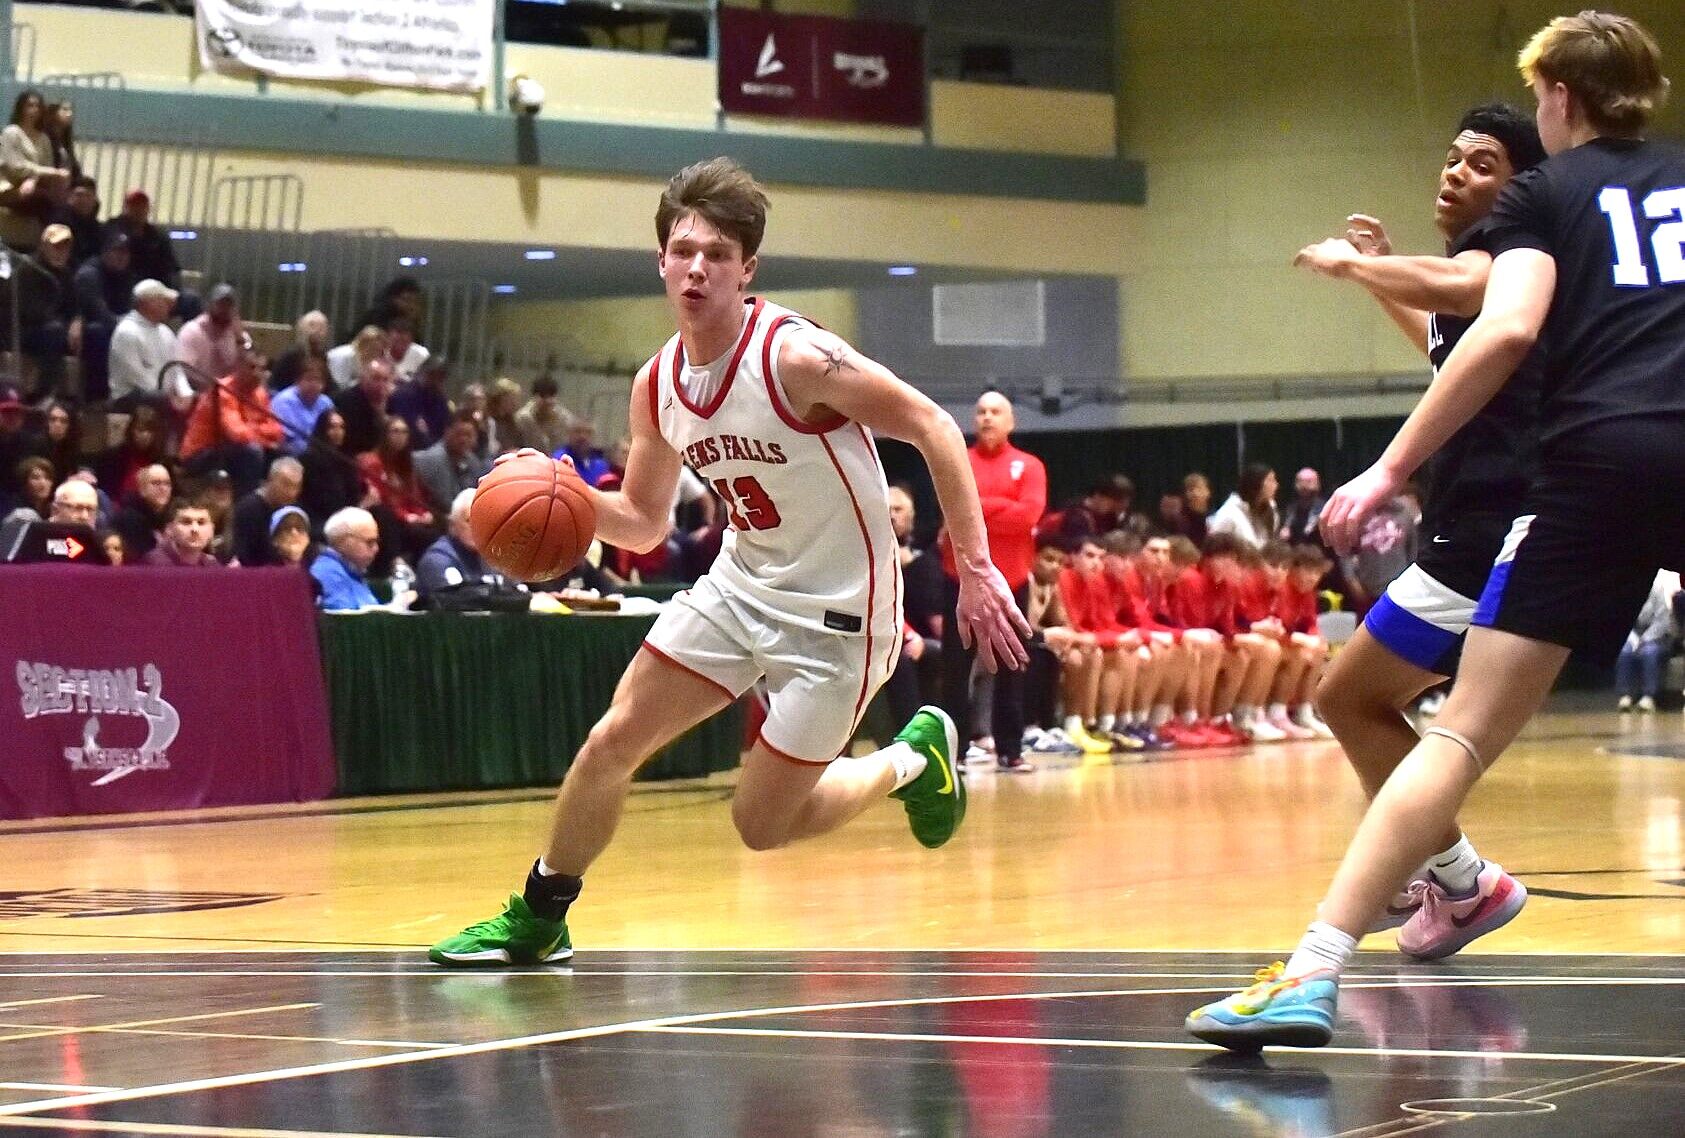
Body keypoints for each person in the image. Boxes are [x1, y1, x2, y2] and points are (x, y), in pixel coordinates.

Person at [1190, 11, 1680, 1051]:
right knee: (1364, 699)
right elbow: (1466, 306)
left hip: (1590, 467)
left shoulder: (1546, 193)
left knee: (1453, 731)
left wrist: (1385, 466)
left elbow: (1498, 322)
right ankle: (1449, 886)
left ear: (1555, 97)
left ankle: (1316, 966)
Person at [430, 156, 1027, 967]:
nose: (697, 267)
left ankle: (907, 759)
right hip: (741, 587)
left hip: (840, 617)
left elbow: (931, 426)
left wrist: (978, 567)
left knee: (760, 826)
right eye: (683, 250)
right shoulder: (657, 385)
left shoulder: (797, 359)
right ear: (661, 261)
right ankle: (540, 914)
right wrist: (556, 494)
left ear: (747, 268)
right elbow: (639, 524)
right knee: (613, 740)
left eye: (717, 253)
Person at [1286, 100, 1550, 946]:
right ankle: (1443, 877)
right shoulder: (1475, 271)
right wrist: (1381, 274)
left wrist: (1355, 267)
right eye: (1451, 158)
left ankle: (1459, 882)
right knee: (1357, 700)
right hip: (1474, 525)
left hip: (1488, 527)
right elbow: (1441, 334)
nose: (1454, 172)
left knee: (1349, 698)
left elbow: (1459, 291)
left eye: (1481, 164)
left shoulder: (1507, 259)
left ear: (1517, 191)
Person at [938, 391, 1046, 772]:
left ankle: (1010, 750)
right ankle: (955, 752)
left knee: (1012, 669)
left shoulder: (1029, 466)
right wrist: (1000, 507)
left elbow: (1028, 516)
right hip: (961, 582)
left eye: (995, 412)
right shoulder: (959, 461)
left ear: (1011, 421)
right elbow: (951, 510)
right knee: (955, 672)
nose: (987, 417)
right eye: (981, 411)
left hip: (1012, 582)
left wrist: (977, 507)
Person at [179, 340, 283, 496]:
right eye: (252, 367)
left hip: (231, 450)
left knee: (284, 453)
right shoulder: (223, 391)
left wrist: (253, 430)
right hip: (200, 453)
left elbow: (277, 430)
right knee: (252, 452)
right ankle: (245, 504)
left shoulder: (260, 392)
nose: (257, 373)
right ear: (238, 367)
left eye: (262, 369)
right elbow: (237, 435)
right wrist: (262, 434)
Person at [416, 488, 527, 609]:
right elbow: (458, 604)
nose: (478, 528)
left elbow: (517, 591)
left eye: (484, 521)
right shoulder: (438, 559)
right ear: (452, 525)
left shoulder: (496, 555)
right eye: (469, 520)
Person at [9, 224, 79, 396]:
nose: (60, 251)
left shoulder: (66, 274)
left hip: (54, 328)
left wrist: (77, 322)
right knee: (53, 332)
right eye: (56, 246)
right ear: (43, 246)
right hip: (24, 330)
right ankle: (45, 392)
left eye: (65, 247)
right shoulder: (28, 269)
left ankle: (86, 398)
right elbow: (31, 311)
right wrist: (64, 325)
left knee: (91, 334)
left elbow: (74, 305)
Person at [357, 415, 436, 563]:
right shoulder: (371, 462)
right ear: (385, 434)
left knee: (433, 529)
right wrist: (407, 517)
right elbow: (382, 498)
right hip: (389, 519)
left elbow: (414, 496)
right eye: (395, 431)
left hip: (408, 518)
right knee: (423, 535)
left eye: (404, 432)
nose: (400, 436)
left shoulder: (405, 464)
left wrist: (422, 513)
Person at [105, 189, 194, 315]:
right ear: (125, 207)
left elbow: (172, 267)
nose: (138, 210)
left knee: (190, 300)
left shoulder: (158, 236)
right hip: (122, 286)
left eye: (142, 206)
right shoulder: (113, 229)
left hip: (156, 287)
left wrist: (172, 290)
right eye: (134, 206)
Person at [0, 88, 69, 248]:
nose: (34, 110)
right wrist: (53, 173)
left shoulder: (43, 138)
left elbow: (46, 165)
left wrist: (33, 179)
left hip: (36, 191)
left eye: (37, 106)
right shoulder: (12, 133)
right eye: (29, 105)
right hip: (11, 188)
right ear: (21, 108)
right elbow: (16, 166)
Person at [73, 229, 136, 401]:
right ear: (105, 252)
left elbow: (131, 308)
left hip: (115, 325)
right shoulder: (90, 274)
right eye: (117, 251)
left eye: (125, 252)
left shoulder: (127, 276)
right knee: (98, 331)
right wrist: (128, 327)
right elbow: (98, 312)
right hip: (84, 327)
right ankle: (96, 397)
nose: (122, 256)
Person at [109, 279, 188, 414]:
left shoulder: (165, 332)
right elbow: (136, 377)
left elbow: (177, 368)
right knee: (159, 399)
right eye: (164, 301)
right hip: (130, 398)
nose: (169, 305)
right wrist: (169, 398)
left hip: (163, 396)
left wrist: (186, 393)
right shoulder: (126, 331)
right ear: (149, 303)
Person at [1614, 570, 1680, 712]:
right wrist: (1633, 639)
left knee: (1650, 652)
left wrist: (1644, 639)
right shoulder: (1625, 593)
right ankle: (1625, 695)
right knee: (1624, 651)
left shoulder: (1657, 591)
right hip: (1633, 635)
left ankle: (1649, 697)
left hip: (1658, 636)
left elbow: (1663, 621)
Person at [298, 410, 371, 531]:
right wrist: (361, 507)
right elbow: (325, 500)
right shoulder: (310, 459)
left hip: (345, 516)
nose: (338, 432)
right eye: (332, 427)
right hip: (320, 519)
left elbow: (353, 493)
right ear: (323, 429)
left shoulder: (345, 458)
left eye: (341, 427)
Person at [231, 456, 304, 567]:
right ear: (270, 480)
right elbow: (244, 556)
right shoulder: (248, 509)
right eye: (286, 484)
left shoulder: (293, 510)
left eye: (296, 486)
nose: (291, 492)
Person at [414, 411, 491, 516]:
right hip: (437, 521)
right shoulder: (433, 459)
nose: (464, 439)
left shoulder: (471, 459)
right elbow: (446, 503)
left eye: (469, 435)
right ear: (447, 432)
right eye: (459, 434)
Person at [310, 506, 384, 610]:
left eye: (377, 542)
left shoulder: (353, 571)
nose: (376, 548)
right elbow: (348, 622)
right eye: (370, 542)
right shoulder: (328, 573)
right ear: (345, 542)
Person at [175, 284, 244, 383]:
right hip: (199, 393)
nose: (225, 309)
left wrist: (240, 339)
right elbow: (184, 372)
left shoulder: (237, 333)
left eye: (229, 305)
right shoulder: (192, 331)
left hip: (229, 394)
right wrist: (215, 389)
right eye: (221, 304)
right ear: (209, 305)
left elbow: (251, 367)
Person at [270, 352, 333, 456]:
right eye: (308, 379)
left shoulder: (326, 403)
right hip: (291, 453)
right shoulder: (284, 401)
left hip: (320, 453)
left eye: (317, 380)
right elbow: (289, 440)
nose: (313, 384)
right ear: (297, 381)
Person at [1208, 462, 1280, 550]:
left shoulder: (1271, 510)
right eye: (1271, 480)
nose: (1276, 485)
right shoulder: (1229, 513)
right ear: (1256, 483)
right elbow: (1213, 546)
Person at [332, 356, 395, 456]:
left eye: (386, 380)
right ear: (363, 379)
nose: (381, 384)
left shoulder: (394, 400)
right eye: (376, 378)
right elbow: (352, 441)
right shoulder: (346, 400)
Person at [110, 462, 172, 559]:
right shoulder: (129, 519)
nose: (163, 488)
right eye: (156, 483)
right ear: (142, 489)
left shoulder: (168, 517)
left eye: (167, 483)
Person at [388, 354, 451, 449]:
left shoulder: (440, 400)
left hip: (434, 451)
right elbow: (413, 432)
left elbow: (445, 431)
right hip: (405, 450)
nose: (436, 380)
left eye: (440, 377)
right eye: (432, 374)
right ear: (421, 372)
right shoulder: (405, 394)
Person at [140, 496, 222, 568]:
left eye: (201, 523)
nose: (195, 529)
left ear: (212, 529)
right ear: (170, 529)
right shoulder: (153, 564)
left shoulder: (212, 565)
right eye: (186, 522)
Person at [269, 311, 332, 392]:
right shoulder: (291, 355)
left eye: (322, 326)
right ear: (302, 328)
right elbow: (274, 384)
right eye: (312, 325)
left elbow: (329, 384)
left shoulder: (322, 355)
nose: (317, 330)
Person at [513, 374, 573, 456]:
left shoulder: (564, 418)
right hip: (528, 460)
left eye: (551, 396)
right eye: (543, 396)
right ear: (534, 397)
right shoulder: (523, 418)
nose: (547, 401)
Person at [327, 324, 388, 390]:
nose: (376, 354)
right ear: (362, 343)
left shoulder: (372, 360)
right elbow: (339, 385)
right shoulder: (344, 355)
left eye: (379, 350)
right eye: (373, 348)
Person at [267, 505, 315, 570]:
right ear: (275, 540)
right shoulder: (268, 573)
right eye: (287, 528)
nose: (294, 533)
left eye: (299, 528)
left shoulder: (321, 567)